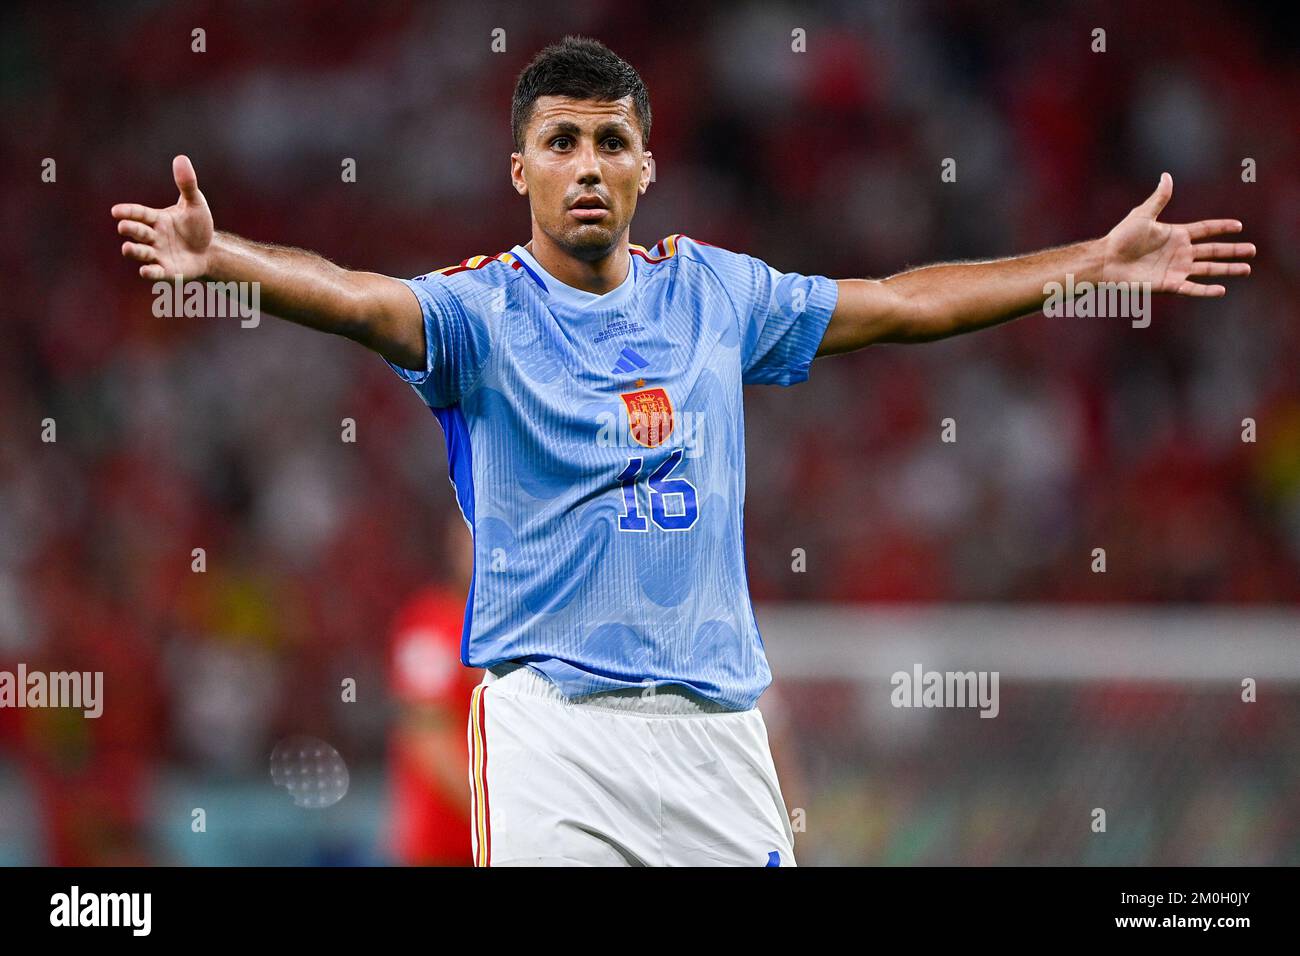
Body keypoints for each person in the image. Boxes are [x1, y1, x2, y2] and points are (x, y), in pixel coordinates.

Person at [109, 36, 1254, 866]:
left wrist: (1084, 267)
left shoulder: (717, 292)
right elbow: (360, 299)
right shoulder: (478, 316)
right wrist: (232, 264)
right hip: (553, 728)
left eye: (612, 141)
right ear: (522, 171)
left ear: (646, 166)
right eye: (561, 142)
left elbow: (903, 303)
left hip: (717, 731)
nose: (589, 163)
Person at [388, 515, 480, 866]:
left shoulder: (516, 628)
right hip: (442, 843)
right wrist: (490, 810)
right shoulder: (430, 625)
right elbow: (427, 738)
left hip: (492, 843)